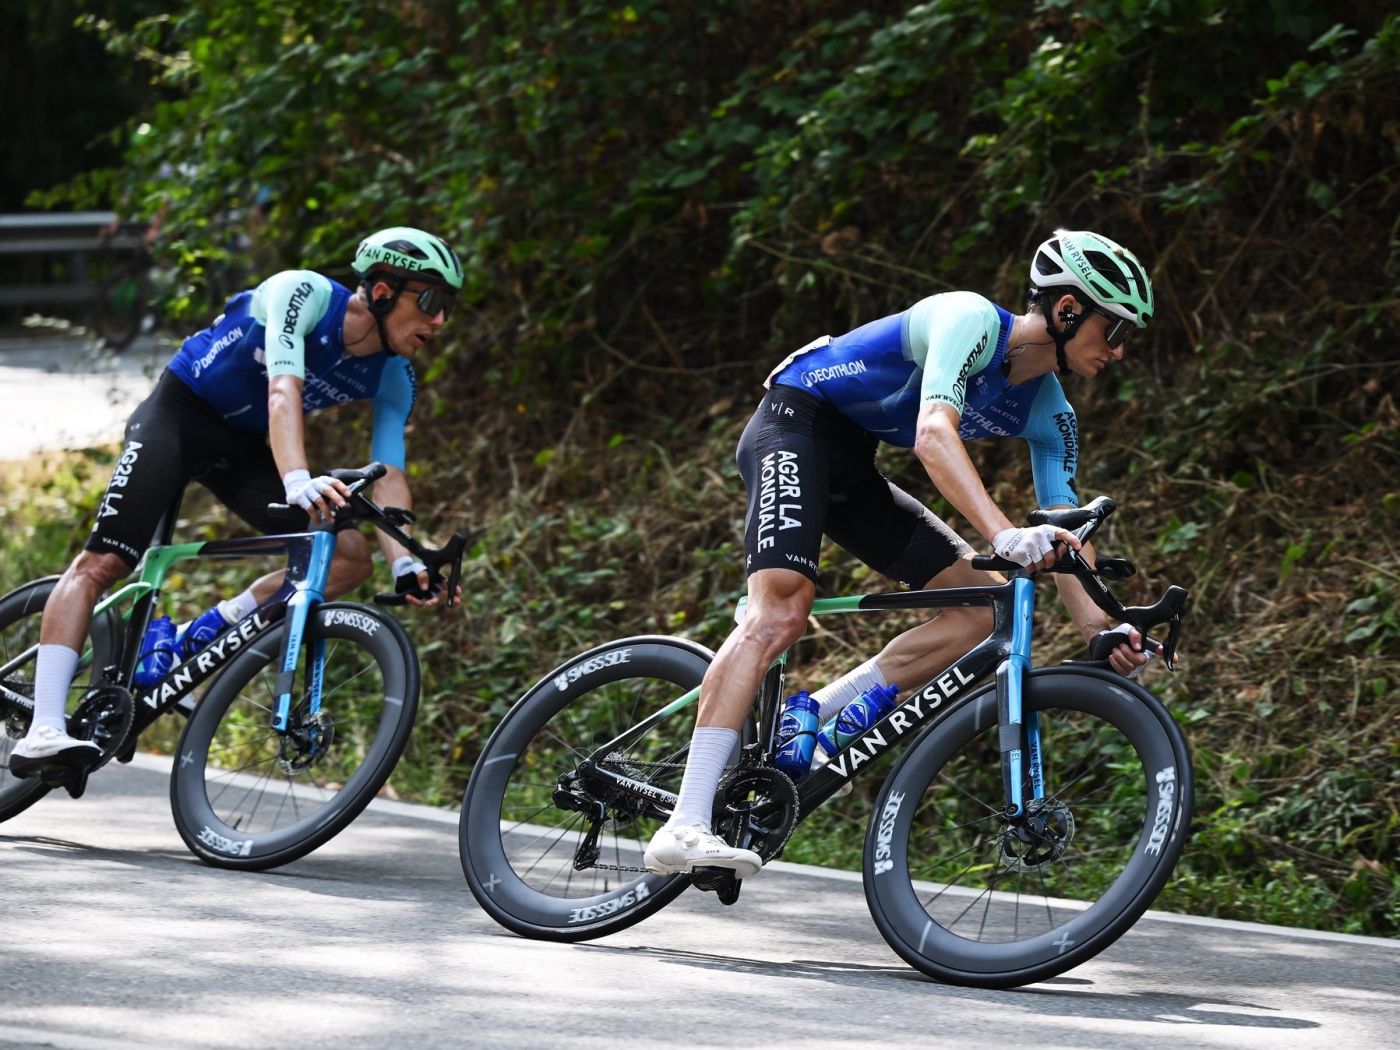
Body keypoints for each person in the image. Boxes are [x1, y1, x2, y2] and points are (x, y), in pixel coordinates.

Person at [643, 229, 1159, 878]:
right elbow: (933, 434)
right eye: (1113, 330)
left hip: (852, 462)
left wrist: (1101, 629)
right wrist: (1001, 533)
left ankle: (813, 715)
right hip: (796, 419)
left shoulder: (1052, 414)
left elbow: (1065, 535)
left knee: (977, 612)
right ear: (1066, 311)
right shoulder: (971, 321)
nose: (1119, 349)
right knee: (779, 614)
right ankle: (684, 823)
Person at [10, 227, 463, 778]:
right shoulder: (307, 295)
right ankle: (43, 729)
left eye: (449, 308)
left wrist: (408, 561)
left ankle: (196, 637)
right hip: (178, 416)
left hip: (243, 449)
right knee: (103, 564)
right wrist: (297, 478)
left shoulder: (395, 374)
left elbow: (388, 472)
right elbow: (283, 391)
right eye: (432, 301)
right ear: (384, 290)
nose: (440, 321)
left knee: (347, 555)